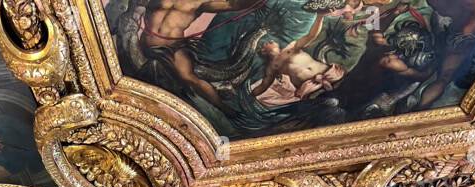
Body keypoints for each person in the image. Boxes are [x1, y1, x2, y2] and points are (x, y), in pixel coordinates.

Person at [136, 0, 267, 110]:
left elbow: (233, 5)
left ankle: (223, 108)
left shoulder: (199, 1)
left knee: (190, 78)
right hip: (145, 43)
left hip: (172, 49)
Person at [250, 9, 346, 107]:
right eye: (264, 43)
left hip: (330, 76)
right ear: (263, 51)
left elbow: (311, 36)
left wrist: (319, 17)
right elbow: (263, 86)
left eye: (270, 40)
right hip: (310, 89)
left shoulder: (291, 47)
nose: (269, 41)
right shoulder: (272, 68)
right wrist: (249, 95)